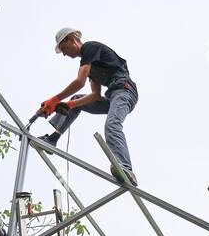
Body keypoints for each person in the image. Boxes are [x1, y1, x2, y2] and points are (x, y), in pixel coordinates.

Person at [37, 28, 139, 186]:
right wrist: (69, 104)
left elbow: (79, 82)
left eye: (64, 49)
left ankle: (125, 167)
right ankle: (53, 139)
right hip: (112, 96)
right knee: (76, 99)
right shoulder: (90, 65)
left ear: (71, 39)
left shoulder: (90, 48)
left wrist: (55, 99)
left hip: (124, 91)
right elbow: (95, 96)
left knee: (112, 125)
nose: (64, 54)